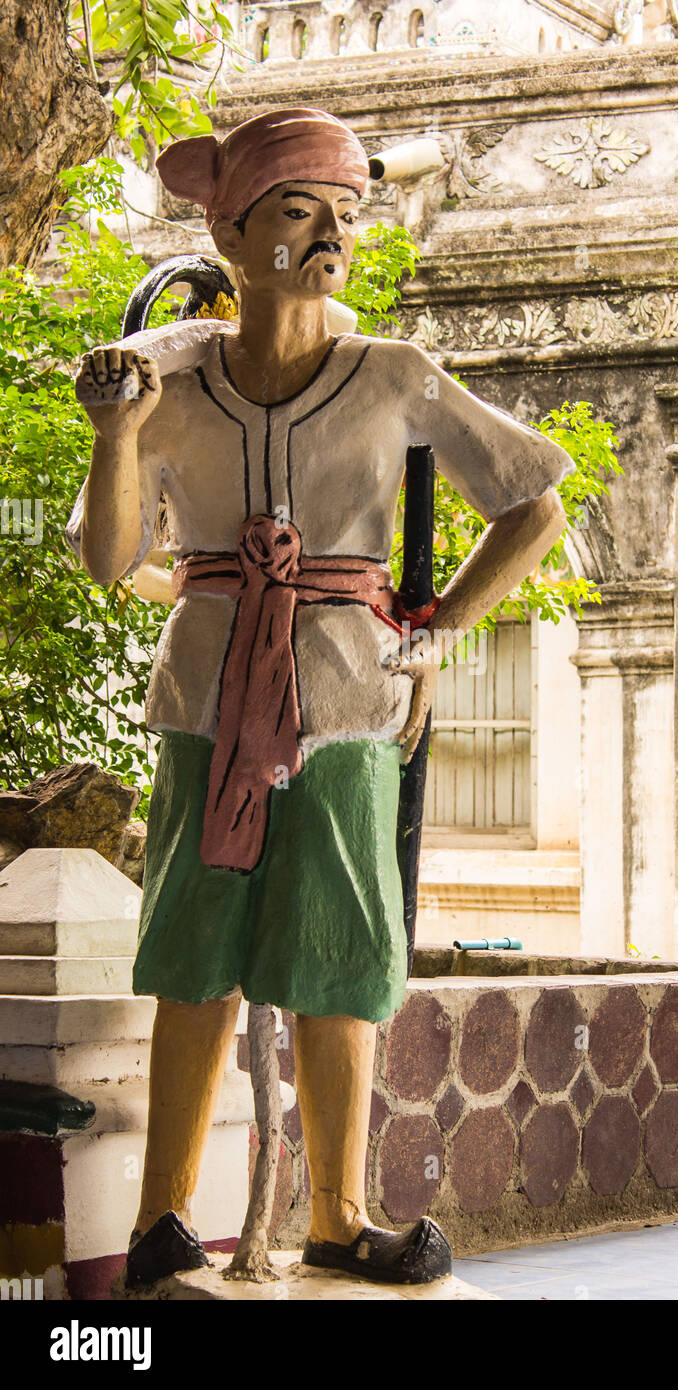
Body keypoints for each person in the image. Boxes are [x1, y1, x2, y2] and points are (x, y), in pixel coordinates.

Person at [69, 107, 574, 1287]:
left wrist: (439, 626)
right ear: (232, 234)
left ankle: (337, 1219)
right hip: (203, 701)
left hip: (345, 700)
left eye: (344, 214)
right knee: (194, 960)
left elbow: (532, 500)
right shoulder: (166, 382)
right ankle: (160, 1224)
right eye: (300, 211)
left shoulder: (391, 374)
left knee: (339, 962)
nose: (330, 235)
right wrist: (116, 433)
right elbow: (105, 557)